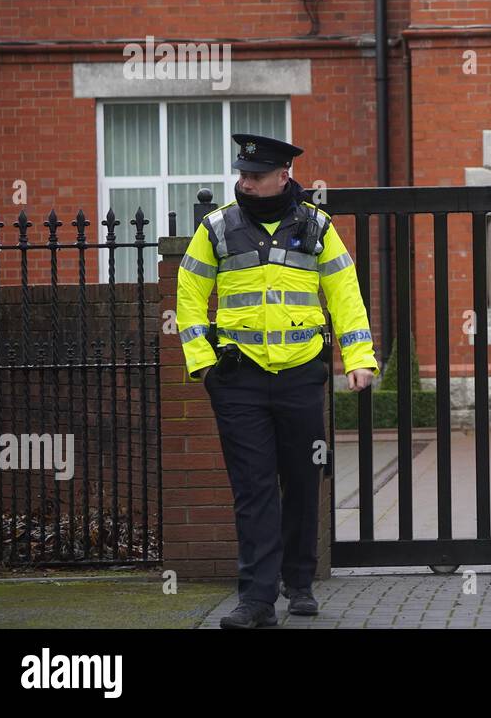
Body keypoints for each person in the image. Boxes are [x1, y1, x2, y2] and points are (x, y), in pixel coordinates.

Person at [176, 133, 378, 628]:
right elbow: (188, 291)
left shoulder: (317, 228)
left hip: (302, 376)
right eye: (241, 174)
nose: (244, 182)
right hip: (238, 378)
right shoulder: (217, 227)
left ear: (283, 176)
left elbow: (345, 294)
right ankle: (256, 600)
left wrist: (360, 357)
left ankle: (300, 582)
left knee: (304, 479)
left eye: (255, 175)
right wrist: (202, 361)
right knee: (254, 488)